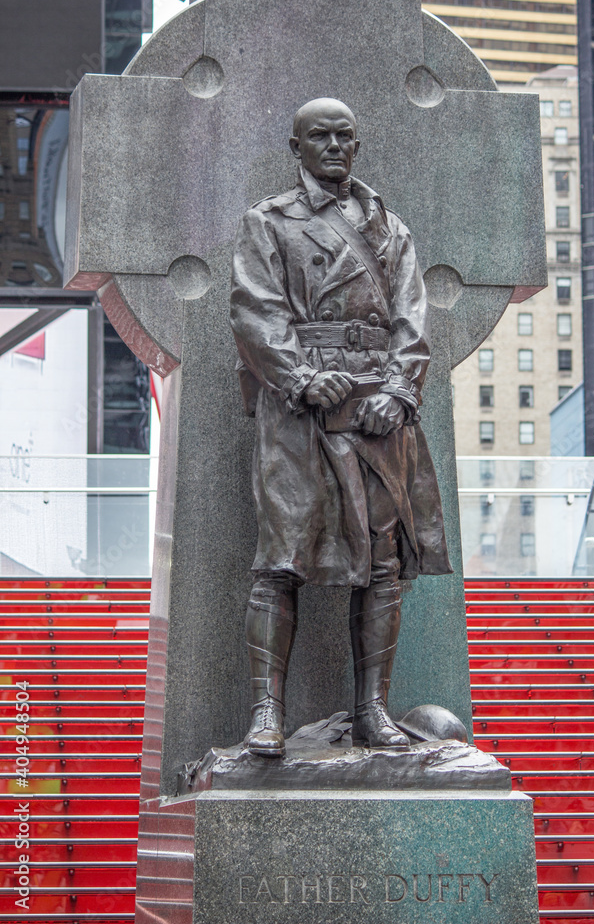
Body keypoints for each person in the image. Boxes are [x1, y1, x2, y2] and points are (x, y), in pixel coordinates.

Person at [230, 97, 451, 758]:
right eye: (318, 136)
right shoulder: (268, 222)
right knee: (281, 559)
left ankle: (372, 713)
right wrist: (297, 376)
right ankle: (266, 712)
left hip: (375, 408)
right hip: (299, 411)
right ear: (295, 147)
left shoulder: (389, 227)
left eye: (344, 136)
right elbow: (253, 310)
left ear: (357, 146)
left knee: (382, 567)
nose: (333, 146)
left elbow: (413, 319)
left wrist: (398, 390)